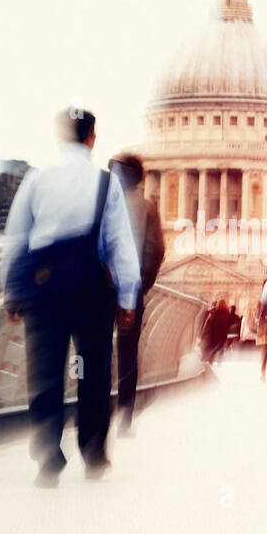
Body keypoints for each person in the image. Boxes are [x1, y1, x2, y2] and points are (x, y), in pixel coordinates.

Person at [2, 109, 140, 484]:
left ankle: (48, 458)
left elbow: (16, 239)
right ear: (92, 138)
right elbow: (120, 246)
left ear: (59, 137)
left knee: (44, 374)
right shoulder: (106, 183)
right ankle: (94, 453)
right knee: (93, 373)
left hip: (45, 290)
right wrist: (127, 298)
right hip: (90, 289)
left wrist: (13, 290)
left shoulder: (36, 180)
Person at [108, 153, 165, 437]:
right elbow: (155, 251)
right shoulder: (147, 208)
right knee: (129, 355)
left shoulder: (101, 204)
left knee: (95, 353)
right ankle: (125, 419)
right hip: (131, 293)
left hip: (99, 291)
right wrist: (142, 285)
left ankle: (96, 415)